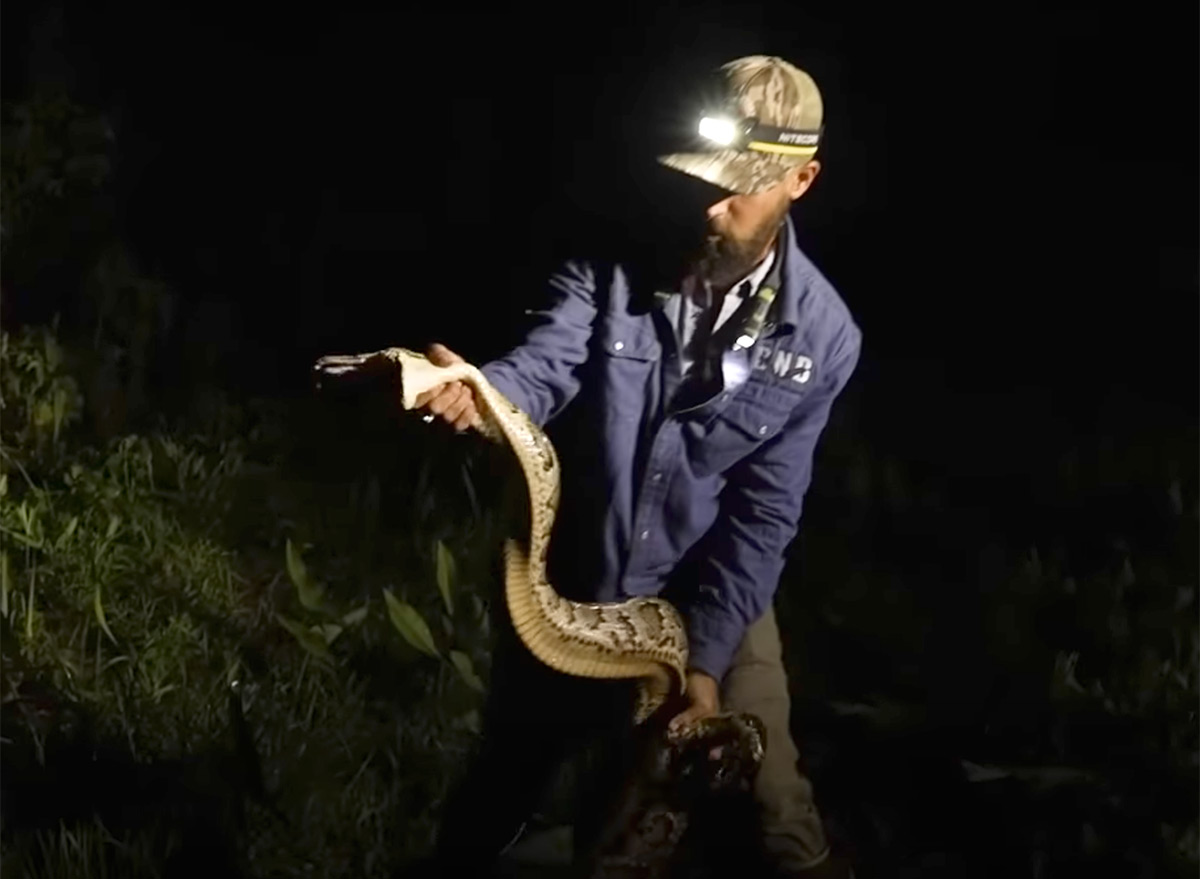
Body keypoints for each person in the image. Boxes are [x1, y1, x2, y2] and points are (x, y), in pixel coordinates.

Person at [415, 56, 862, 879]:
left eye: (743, 186)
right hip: (583, 572)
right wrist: (479, 394)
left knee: (776, 810)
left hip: (706, 584)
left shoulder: (826, 338)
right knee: (511, 773)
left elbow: (764, 517)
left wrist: (702, 668)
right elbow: (543, 366)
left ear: (803, 179)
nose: (711, 204)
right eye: (703, 178)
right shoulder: (610, 258)